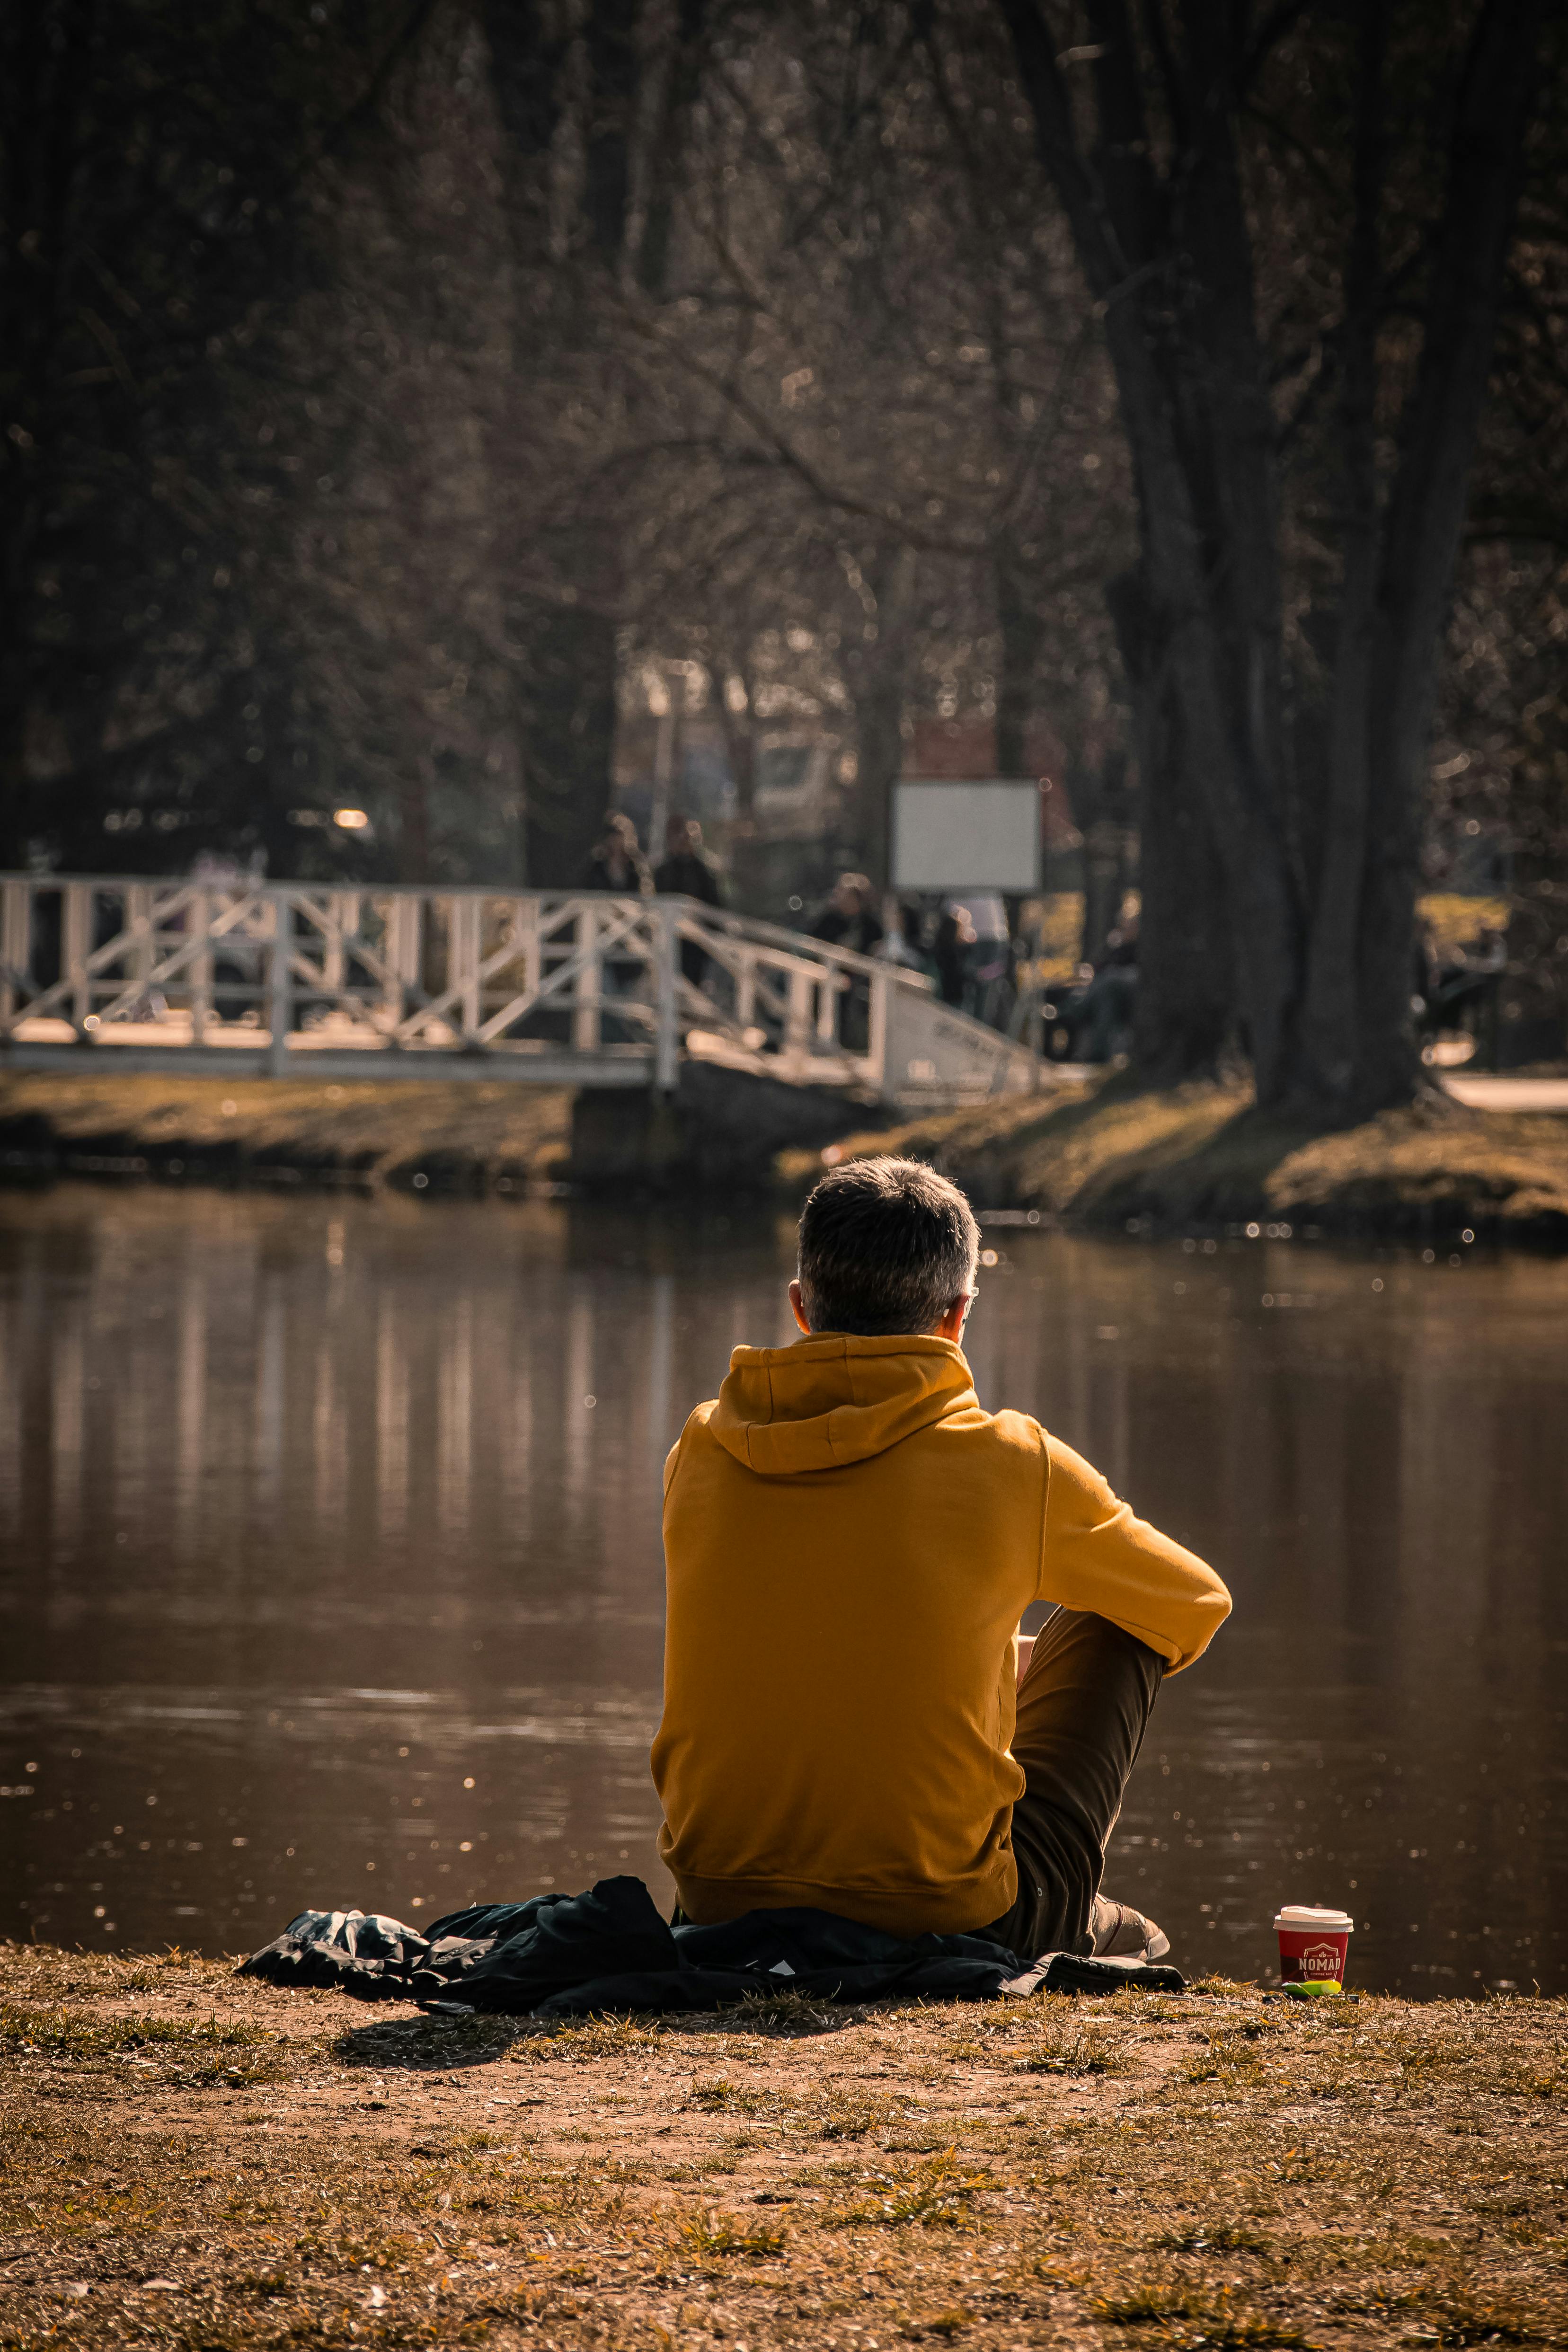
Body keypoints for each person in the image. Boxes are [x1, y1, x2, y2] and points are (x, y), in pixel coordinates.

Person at [653, 1157, 1231, 1963]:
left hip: (715, 1904)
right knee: (1122, 1620)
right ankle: (1080, 1920)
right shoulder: (1009, 1461)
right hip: (941, 1912)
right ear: (958, 1316)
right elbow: (1194, 1602)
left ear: (798, 1307)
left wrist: (979, 1653)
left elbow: (815, 1607)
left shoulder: (701, 1447)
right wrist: (1010, 1665)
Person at [653, 815, 724, 992]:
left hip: (697, 938)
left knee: (695, 983)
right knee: (671, 980)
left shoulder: (704, 871)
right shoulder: (664, 870)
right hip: (672, 936)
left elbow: (714, 902)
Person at [809, 871, 884, 959]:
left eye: (841, 890)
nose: (835, 892)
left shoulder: (872, 927)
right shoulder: (828, 920)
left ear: (854, 898)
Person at [577, 810, 653, 897]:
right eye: (615, 834)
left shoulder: (635, 868)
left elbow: (646, 892)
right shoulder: (595, 867)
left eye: (623, 834)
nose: (618, 840)